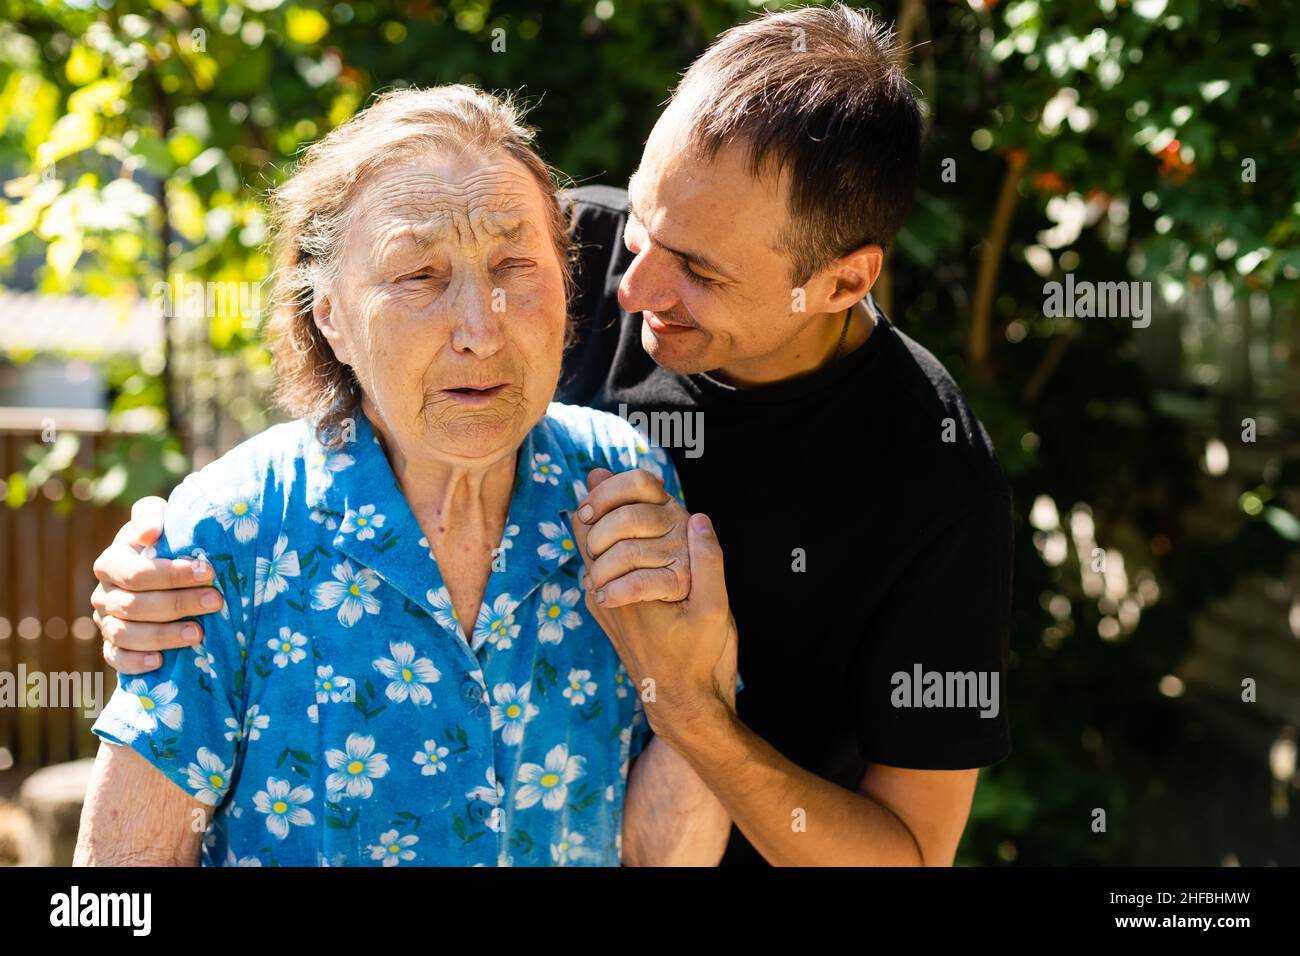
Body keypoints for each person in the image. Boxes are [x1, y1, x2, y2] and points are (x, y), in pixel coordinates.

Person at [91, 4, 1012, 867]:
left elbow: (910, 853)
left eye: (695, 270)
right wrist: (183, 560)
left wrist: (693, 707)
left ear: (845, 283)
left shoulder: (934, 479)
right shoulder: (556, 247)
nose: (628, 286)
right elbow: (365, 352)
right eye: (644, 226)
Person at [74, 85, 732, 867]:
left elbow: (661, 854)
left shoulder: (621, 488)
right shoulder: (233, 531)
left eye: (515, 263)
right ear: (332, 317)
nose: (480, 330)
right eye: (419, 275)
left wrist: (704, 674)